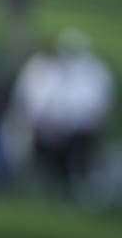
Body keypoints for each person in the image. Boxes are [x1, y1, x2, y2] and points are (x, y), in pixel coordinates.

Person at [12, 29, 114, 197]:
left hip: (78, 132)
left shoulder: (93, 73)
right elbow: (29, 105)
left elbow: (99, 109)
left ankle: (74, 181)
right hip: (45, 129)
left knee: (76, 148)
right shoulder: (41, 71)